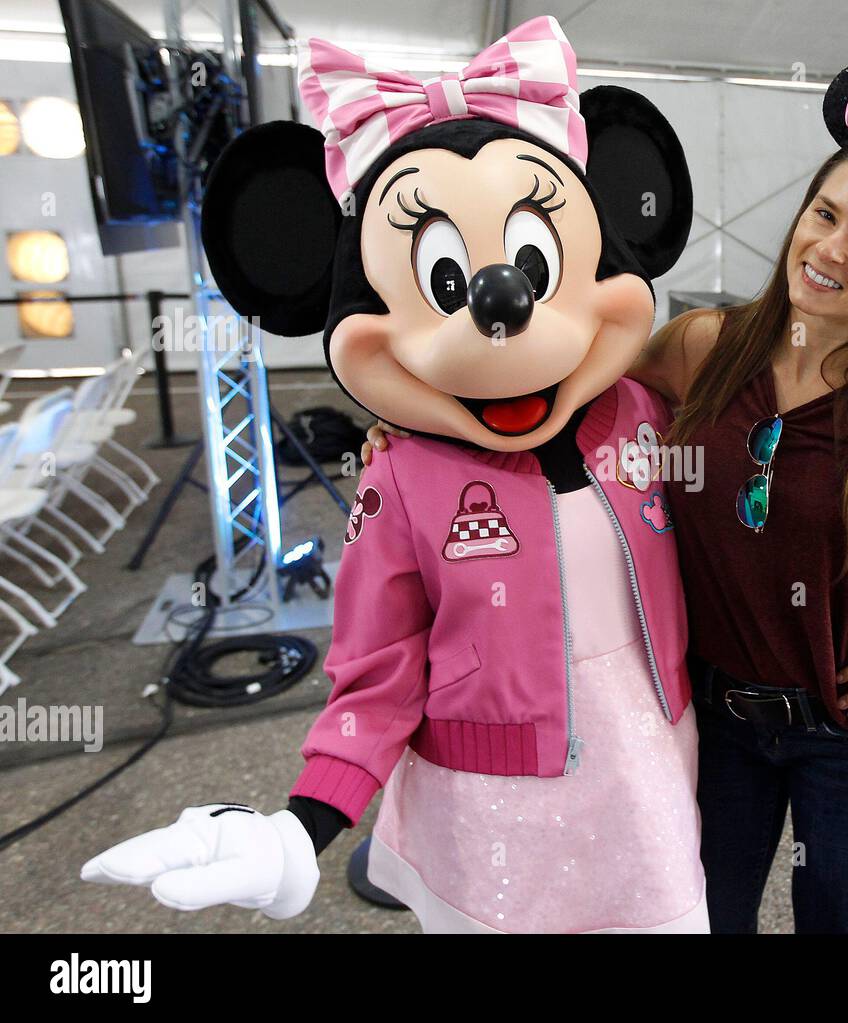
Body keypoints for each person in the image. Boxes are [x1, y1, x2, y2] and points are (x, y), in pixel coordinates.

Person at [365, 27, 848, 934]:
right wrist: (420, 426)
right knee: (709, 917)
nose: (829, 248)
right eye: (824, 214)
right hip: (717, 719)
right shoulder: (706, 348)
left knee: (834, 923)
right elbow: (565, 400)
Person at [81, 15, 709, 934]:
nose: (503, 305)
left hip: (649, 794)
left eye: (532, 264)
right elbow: (376, 673)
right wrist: (303, 826)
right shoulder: (403, 476)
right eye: (450, 283)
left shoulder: (645, 417)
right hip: (489, 821)